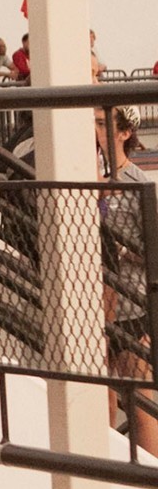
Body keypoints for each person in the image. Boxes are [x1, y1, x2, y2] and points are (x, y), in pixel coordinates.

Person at [96, 106, 155, 457]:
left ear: (124, 133)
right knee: (98, 396)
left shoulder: (136, 183)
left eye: (103, 124)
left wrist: (122, 251)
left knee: (140, 402)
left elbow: (154, 247)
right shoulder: (91, 177)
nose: (96, 130)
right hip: (99, 308)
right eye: (95, 123)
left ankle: (150, 478)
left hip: (132, 308)